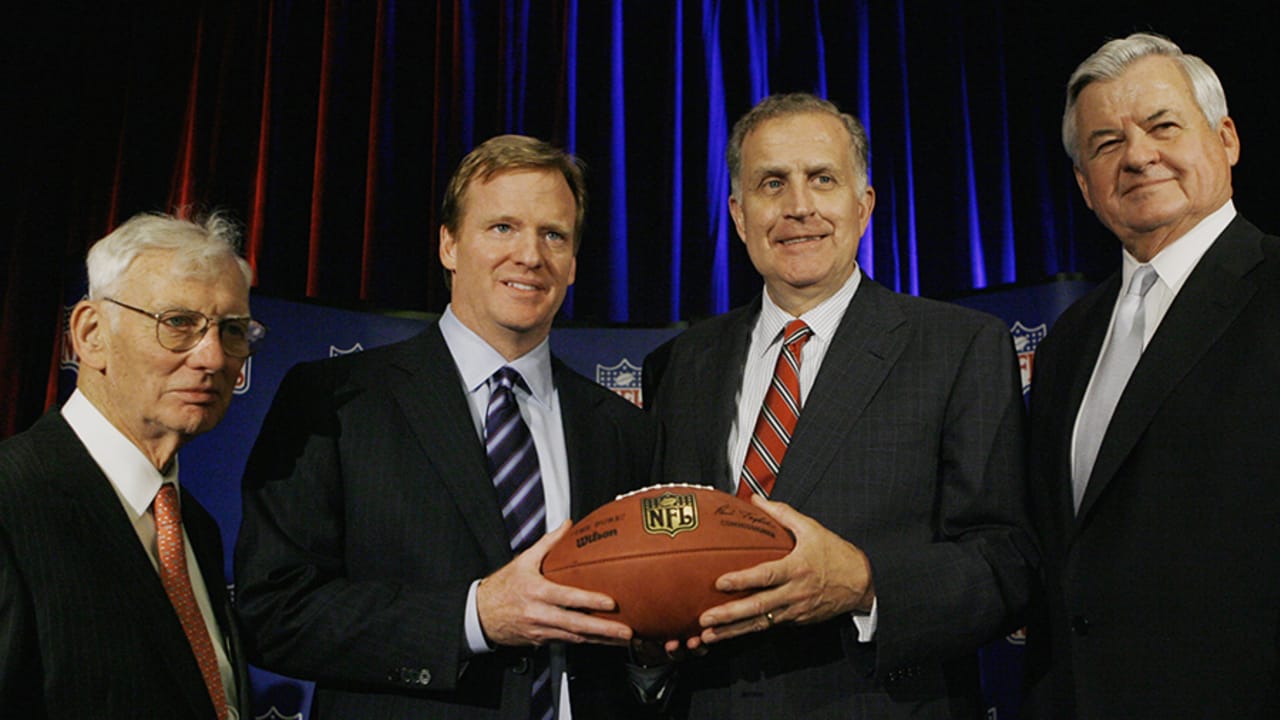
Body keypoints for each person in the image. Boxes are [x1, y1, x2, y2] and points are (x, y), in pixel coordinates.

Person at [235, 134, 654, 718]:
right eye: (502, 228)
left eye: (553, 234)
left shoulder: (622, 429)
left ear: (575, 263)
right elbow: (275, 613)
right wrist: (474, 618)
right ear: (449, 245)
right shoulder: (335, 402)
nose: (530, 255)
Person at [644, 92, 1035, 718]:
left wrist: (863, 582)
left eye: (821, 179)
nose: (798, 207)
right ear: (740, 217)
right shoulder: (680, 364)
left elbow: (1006, 564)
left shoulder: (959, 346)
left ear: (863, 206)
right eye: (772, 183)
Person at [1024, 32, 1280, 718]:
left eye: (1162, 125)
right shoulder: (1069, 340)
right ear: (1084, 184)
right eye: (1106, 143)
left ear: (1225, 139)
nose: (1137, 155)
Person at [0, 211, 260, 718]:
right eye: (179, 323)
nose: (213, 357)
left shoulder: (194, 529)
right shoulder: (11, 503)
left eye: (232, 330)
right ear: (92, 333)